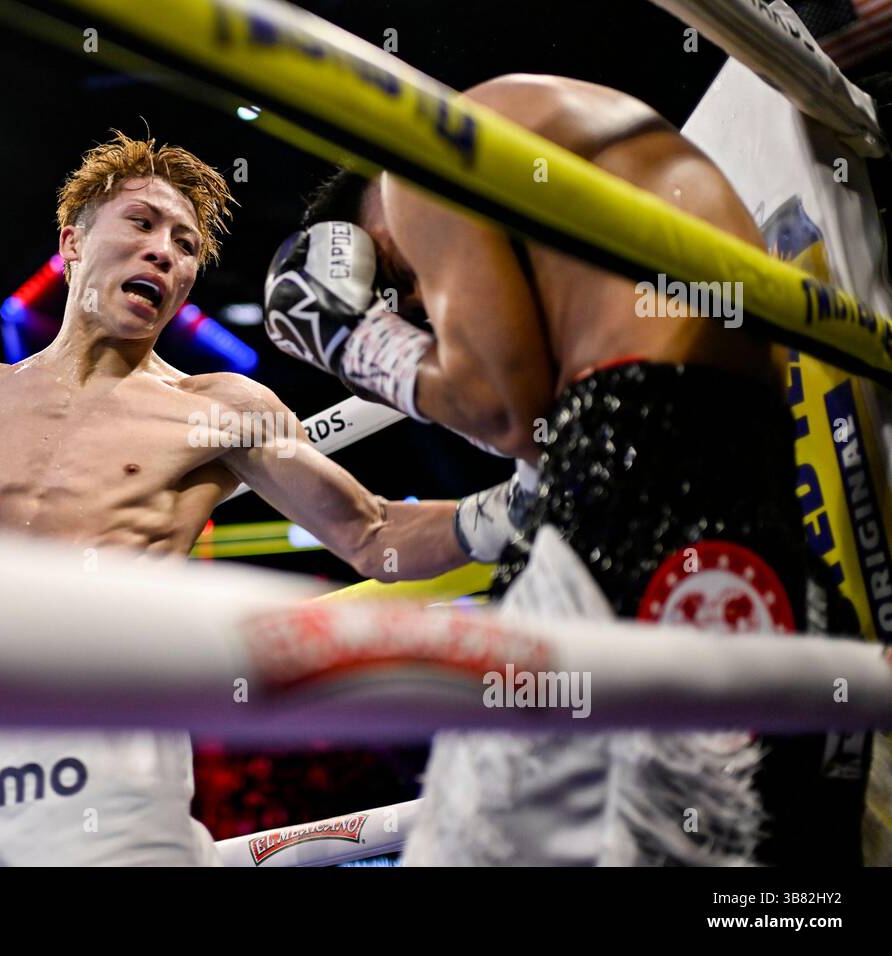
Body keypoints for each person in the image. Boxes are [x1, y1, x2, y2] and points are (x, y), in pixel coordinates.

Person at [0, 132, 522, 865]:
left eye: (185, 244)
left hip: (102, 776)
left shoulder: (216, 406)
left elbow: (371, 535)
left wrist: (513, 509)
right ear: (74, 241)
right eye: (142, 223)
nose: (165, 252)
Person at [264, 74, 869, 864]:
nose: (422, 308)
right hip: (751, 522)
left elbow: (503, 409)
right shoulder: (578, 141)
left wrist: (352, 339)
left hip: (618, 528)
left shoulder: (417, 161)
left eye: (401, 285)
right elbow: (555, 435)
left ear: (364, 222)